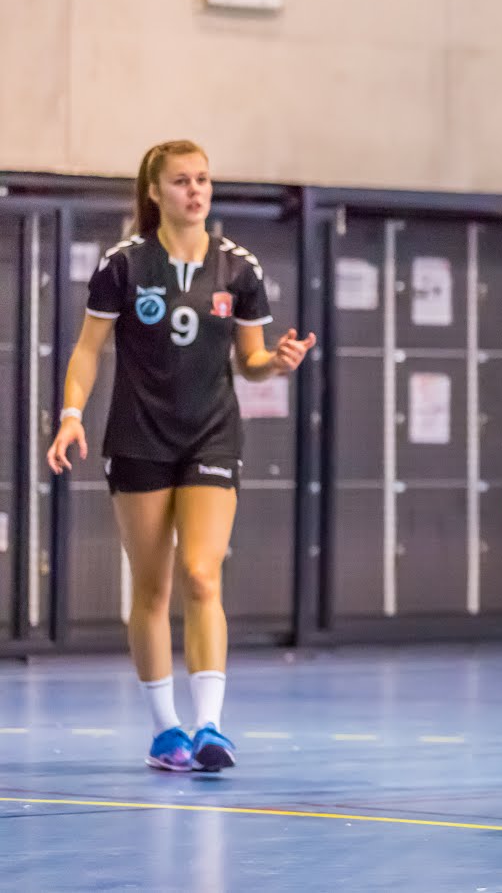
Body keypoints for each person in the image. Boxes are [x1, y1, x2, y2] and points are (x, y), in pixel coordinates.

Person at [45, 139, 315, 773]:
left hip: (210, 436)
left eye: (203, 180)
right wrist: (70, 416)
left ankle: (211, 725)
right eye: (181, 181)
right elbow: (86, 350)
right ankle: (166, 731)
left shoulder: (239, 269)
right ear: (154, 192)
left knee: (201, 573)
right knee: (152, 584)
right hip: (138, 438)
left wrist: (273, 362)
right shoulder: (123, 265)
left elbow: (249, 363)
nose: (196, 191)